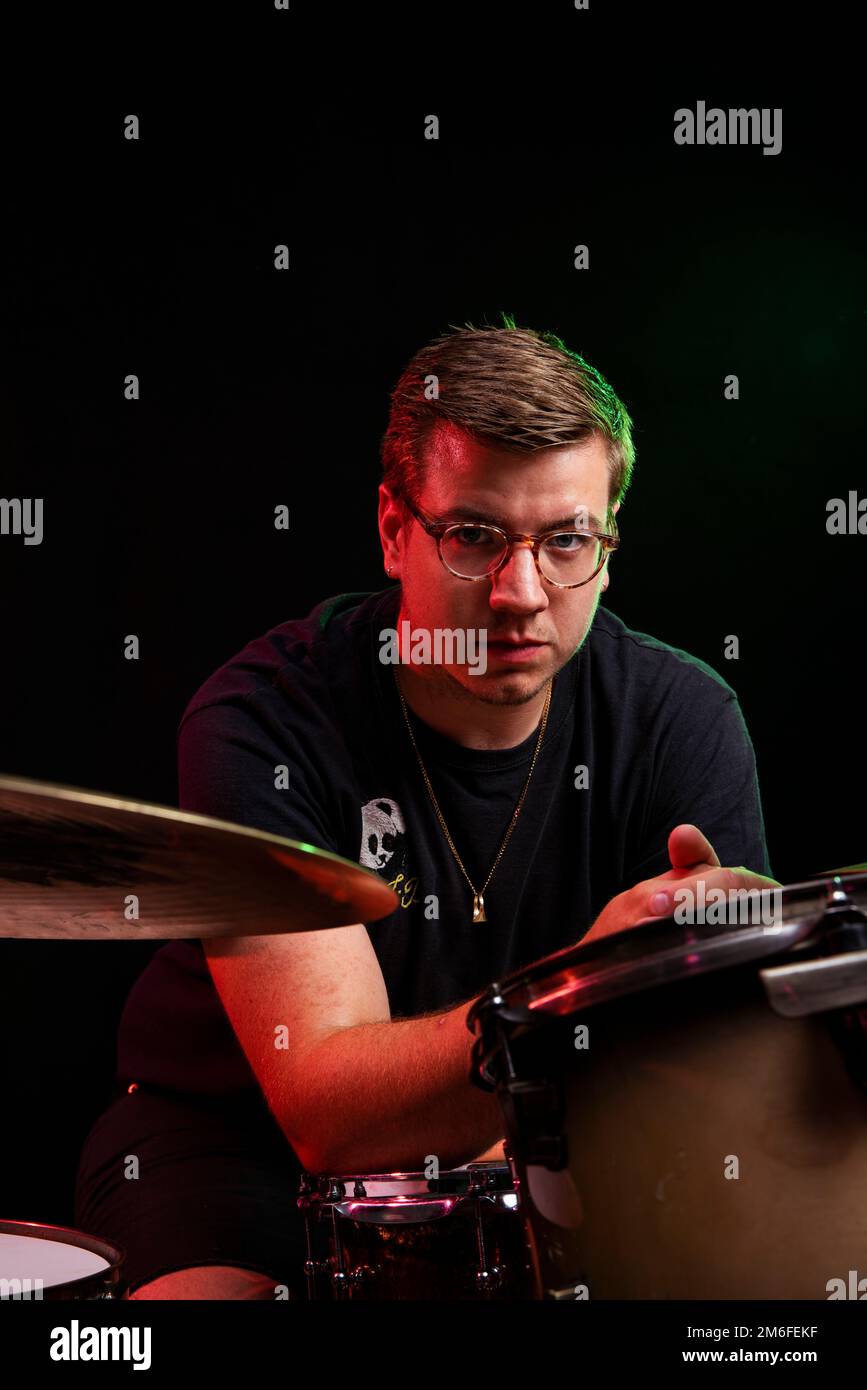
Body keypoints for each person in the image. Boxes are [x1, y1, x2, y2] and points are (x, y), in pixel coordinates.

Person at [74, 319, 778, 1299]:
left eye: (566, 540)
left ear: (609, 548)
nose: (520, 593)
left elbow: (724, 1085)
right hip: (238, 1145)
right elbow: (332, 1116)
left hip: (548, 1139)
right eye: (474, 536)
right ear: (395, 528)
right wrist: (587, 986)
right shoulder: (264, 722)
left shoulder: (683, 719)